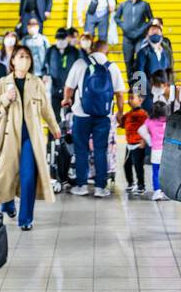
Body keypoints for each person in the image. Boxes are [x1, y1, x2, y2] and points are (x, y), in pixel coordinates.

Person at [0, 45, 61, 230]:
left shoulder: (36, 82)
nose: (25, 60)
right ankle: (7, 203)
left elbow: (46, 107)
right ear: (12, 60)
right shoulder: (3, 83)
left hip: (32, 137)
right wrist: (5, 98)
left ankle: (26, 219)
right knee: (7, 174)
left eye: (28, 56)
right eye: (21, 56)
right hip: (9, 137)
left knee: (28, 177)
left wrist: (54, 127)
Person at [62, 38, 126, 197]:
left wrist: (67, 99)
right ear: (107, 52)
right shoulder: (113, 67)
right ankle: (100, 187)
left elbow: (69, 87)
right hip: (103, 115)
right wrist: (119, 113)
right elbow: (119, 94)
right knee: (100, 150)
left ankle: (82, 185)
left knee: (81, 150)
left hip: (81, 114)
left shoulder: (80, 63)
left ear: (92, 49)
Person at [115, 0, 154, 78]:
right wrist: (124, 26)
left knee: (140, 60)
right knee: (128, 61)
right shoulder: (123, 5)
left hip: (140, 37)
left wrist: (143, 28)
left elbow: (151, 19)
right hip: (127, 38)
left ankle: (139, 85)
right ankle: (130, 84)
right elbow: (116, 18)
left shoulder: (145, 5)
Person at [44, 27, 80, 118]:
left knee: (69, 115)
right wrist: (45, 75)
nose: (60, 41)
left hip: (70, 88)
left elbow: (79, 67)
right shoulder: (50, 50)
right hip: (55, 88)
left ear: (67, 39)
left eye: (63, 39)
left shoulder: (74, 51)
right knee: (54, 115)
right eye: (58, 39)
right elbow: (44, 66)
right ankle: (54, 132)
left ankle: (68, 132)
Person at [133, 19, 173, 96]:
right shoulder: (143, 52)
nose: (155, 33)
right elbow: (139, 72)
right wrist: (140, 94)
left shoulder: (165, 52)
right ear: (147, 35)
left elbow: (169, 71)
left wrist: (170, 87)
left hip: (164, 91)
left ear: (161, 34)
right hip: (149, 92)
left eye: (157, 31)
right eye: (152, 31)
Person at [121, 92, 150, 195]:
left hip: (138, 144)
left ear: (140, 100)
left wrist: (143, 140)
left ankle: (141, 185)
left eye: (132, 98)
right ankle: (130, 183)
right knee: (126, 165)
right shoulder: (128, 114)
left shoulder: (143, 114)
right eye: (128, 98)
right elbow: (122, 123)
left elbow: (147, 128)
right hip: (129, 144)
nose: (129, 100)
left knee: (138, 166)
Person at [145, 100, 169, 200]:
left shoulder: (149, 121)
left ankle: (157, 191)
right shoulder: (169, 121)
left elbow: (141, 130)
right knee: (166, 172)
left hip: (155, 150)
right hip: (167, 151)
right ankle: (166, 191)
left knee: (156, 171)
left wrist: (150, 141)